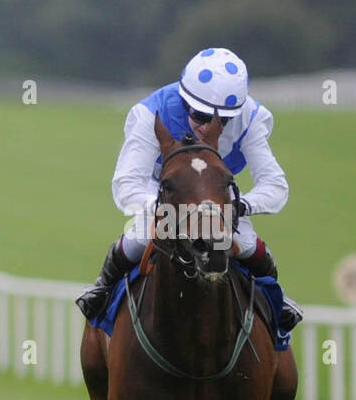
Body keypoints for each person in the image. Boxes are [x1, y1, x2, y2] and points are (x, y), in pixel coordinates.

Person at [76, 47, 301, 332]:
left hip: (215, 192)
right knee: (140, 237)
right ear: (184, 102)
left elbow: (275, 186)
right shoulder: (150, 113)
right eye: (200, 115)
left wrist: (239, 206)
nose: (209, 128)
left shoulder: (252, 118)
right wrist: (171, 210)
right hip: (163, 188)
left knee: (245, 243)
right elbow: (127, 184)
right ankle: (103, 288)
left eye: (224, 120)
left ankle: (276, 301)